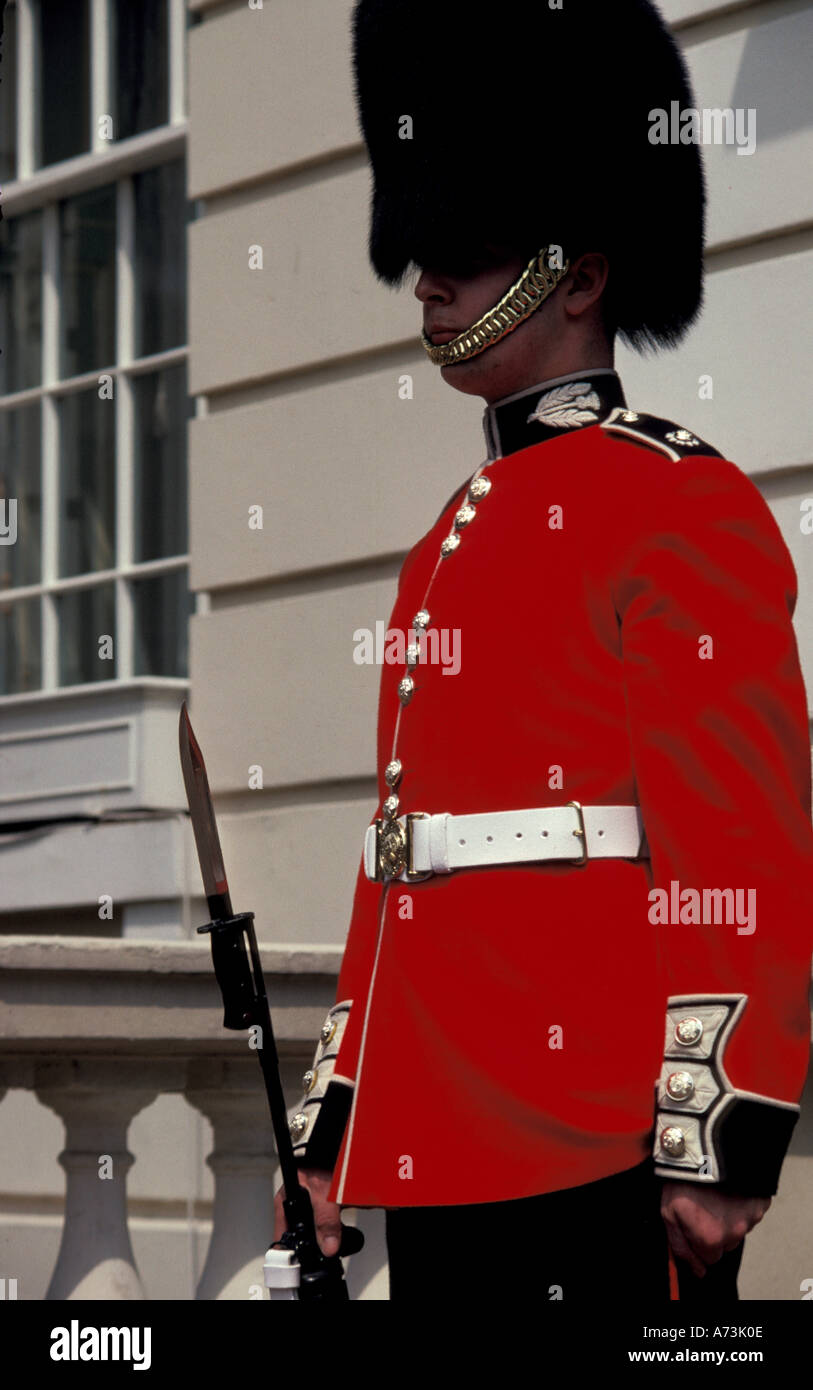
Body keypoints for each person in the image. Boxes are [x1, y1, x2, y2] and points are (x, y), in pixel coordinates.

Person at [274, 0, 813, 1301]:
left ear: (579, 276)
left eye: (465, 247)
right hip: (440, 1150)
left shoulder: (679, 502)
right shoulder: (441, 541)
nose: (428, 278)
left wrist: (718, 1125)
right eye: (427, 245)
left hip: (598, 1143)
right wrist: (341, 1118)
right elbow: (399, 858)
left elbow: (733, 842)